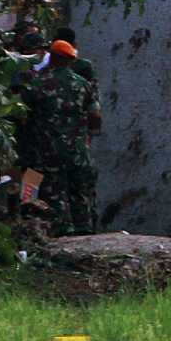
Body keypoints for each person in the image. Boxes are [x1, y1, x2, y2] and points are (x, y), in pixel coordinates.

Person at [16, 39, 101, 235]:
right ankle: (85, 236)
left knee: (46, 196)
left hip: (44, 154)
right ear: (71, 61)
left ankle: (55, 235)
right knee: (80, 195)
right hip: (77, 153)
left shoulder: (36, 84)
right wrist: (85, 137)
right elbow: (96, 117)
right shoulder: (83, 85)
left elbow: (21, 116)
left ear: (51, 57)